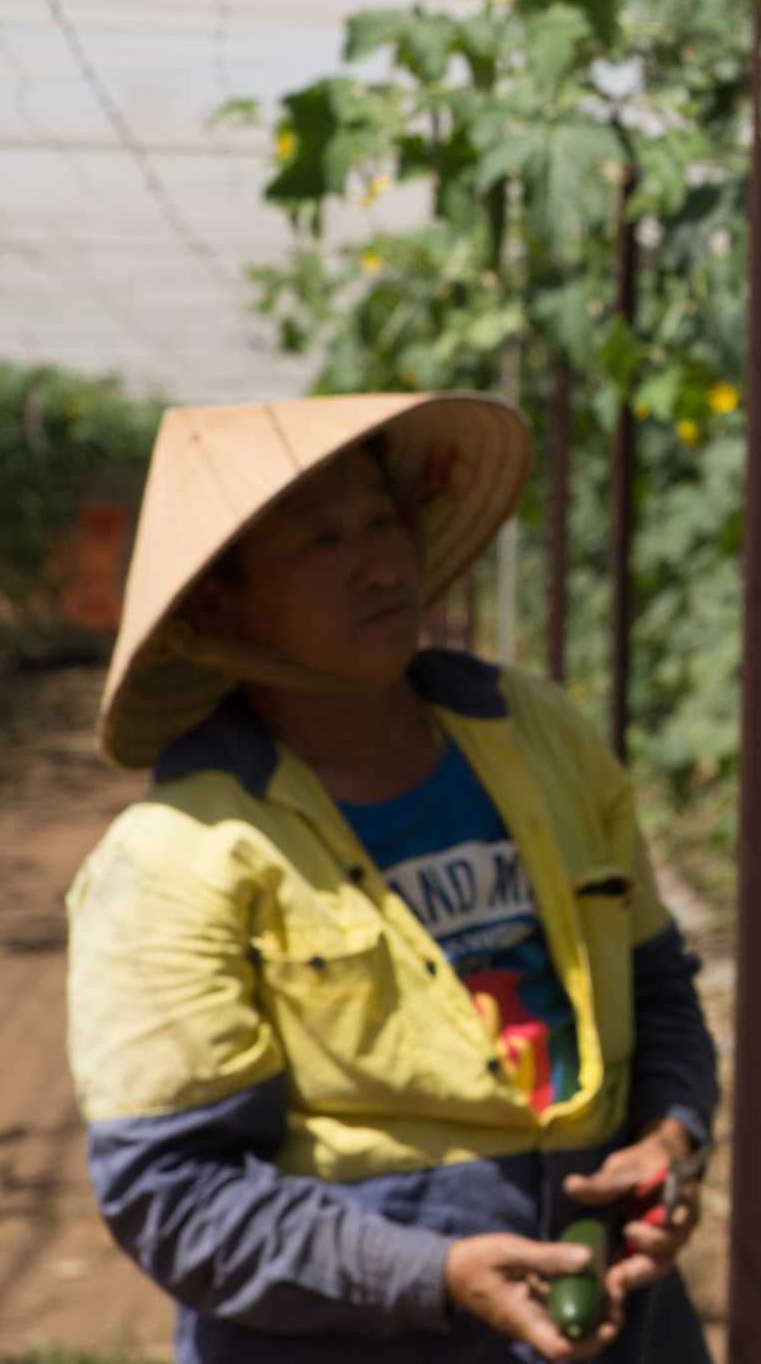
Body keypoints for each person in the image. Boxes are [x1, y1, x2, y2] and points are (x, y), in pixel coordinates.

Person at [63, 393, 721, 1363]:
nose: (378, 560)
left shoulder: (535, 732)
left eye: (380, 519)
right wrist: (426, 1269)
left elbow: (658, 986)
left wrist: (669, 1137)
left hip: (620, 1321)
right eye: (321, 540)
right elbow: (172, 1193)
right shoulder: (175, 854)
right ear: (219, 605)